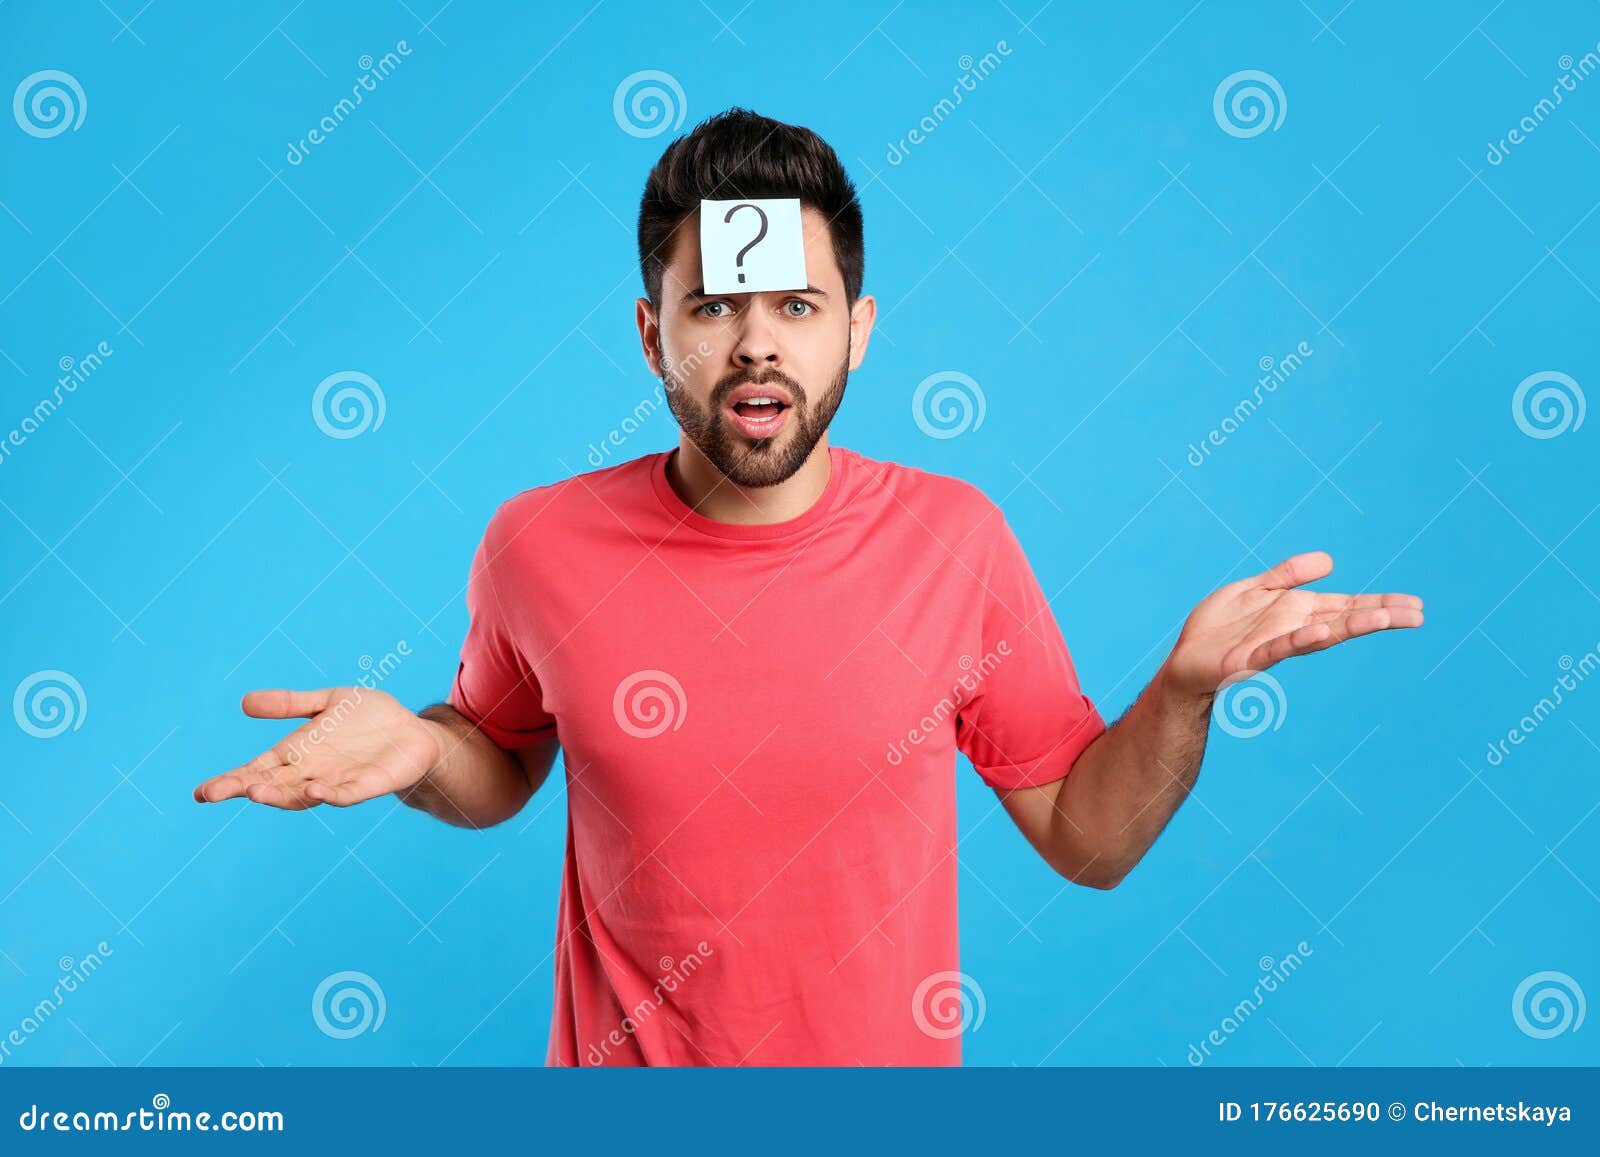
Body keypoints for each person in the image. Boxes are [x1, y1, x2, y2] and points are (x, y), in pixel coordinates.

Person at [193, 108, 1423, 1066]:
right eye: (714, 307)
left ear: (861, 325)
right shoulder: (536, 543)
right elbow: (501, 761)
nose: (757, 343)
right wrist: (420, 746)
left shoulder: (956, 539)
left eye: (796, 303)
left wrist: (1182, 691)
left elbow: (1087, 839)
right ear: (648, 330)